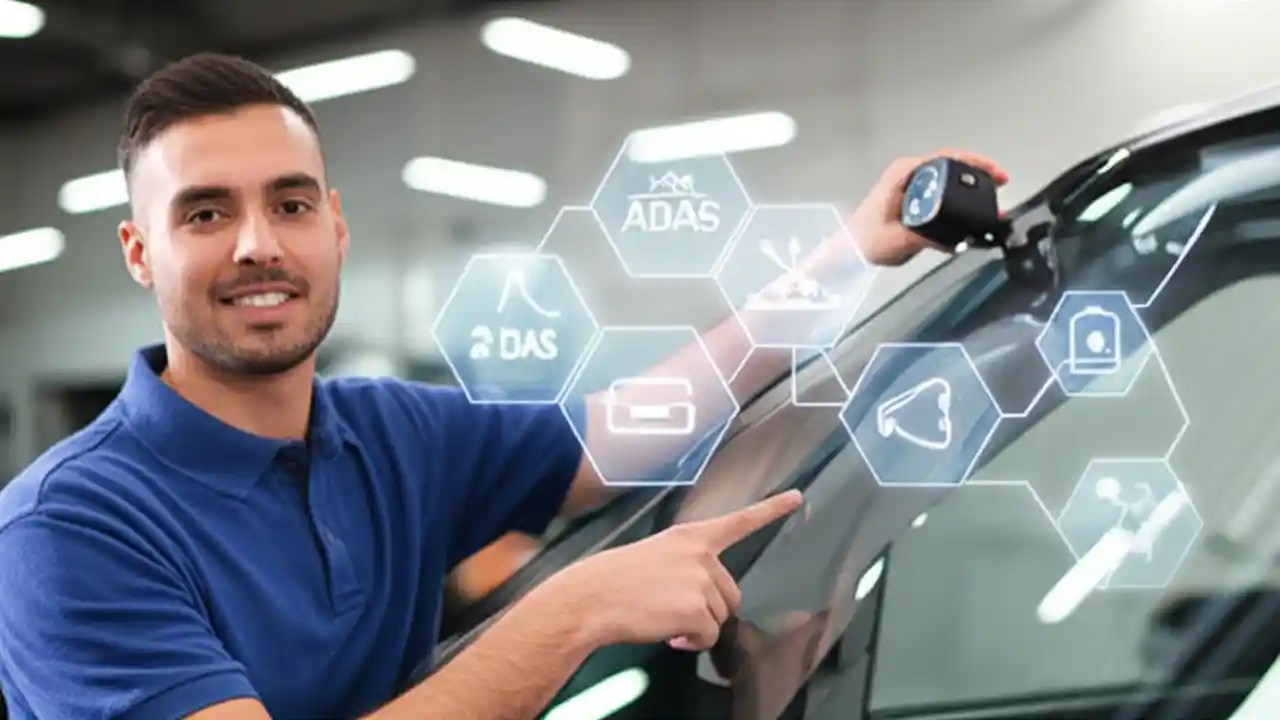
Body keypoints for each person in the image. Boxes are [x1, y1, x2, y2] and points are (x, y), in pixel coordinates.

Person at [0, 52, 1009, 720]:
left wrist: (844, 254)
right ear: (139, 251)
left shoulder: (384, 431)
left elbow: (630, 430)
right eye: (206, 214)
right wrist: (568, 612)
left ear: (335, 227)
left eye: (289, 203)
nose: (260, 245)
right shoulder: (67, 530)